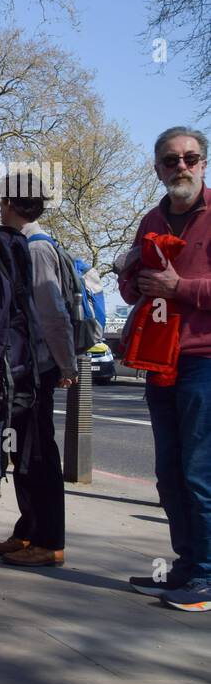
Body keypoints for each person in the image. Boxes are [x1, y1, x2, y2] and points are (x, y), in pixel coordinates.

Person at [118, 126, 211, 611]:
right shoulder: (152, 217)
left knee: (200, 471)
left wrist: (181, 288)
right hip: (159, 360)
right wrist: (129, 277)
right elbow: (135, 291)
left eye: (190, 158)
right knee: (170, 473)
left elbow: (178, 288)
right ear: (157, 168)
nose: (182, 167)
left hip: (203, 360)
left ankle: (208, 574)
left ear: (203, 163)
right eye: (171, 160)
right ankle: (187, 567)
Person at [0, 172, 77, 568]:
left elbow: (53, 314)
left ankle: (50, 540)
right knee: (22, 450)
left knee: (39, 455)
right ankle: (27, 531)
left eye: (4, 200)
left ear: (14, 205)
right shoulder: (26, 244)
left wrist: (66, 363)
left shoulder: (37, 249)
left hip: (37, 370)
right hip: (26, 368)